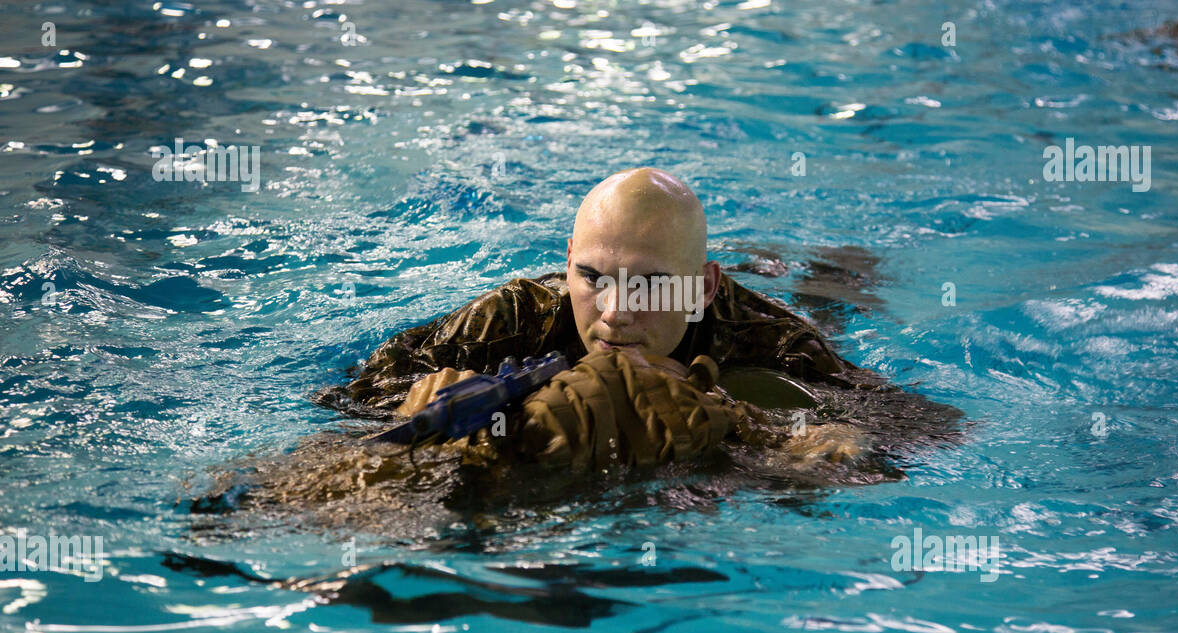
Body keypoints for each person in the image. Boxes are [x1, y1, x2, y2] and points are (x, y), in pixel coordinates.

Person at [312, 167, 962, 471]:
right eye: (593, 279)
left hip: (772, 319)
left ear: (702, 290)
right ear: (566, 264)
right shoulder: (510, 320)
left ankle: (830, 274)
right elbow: (341, 402)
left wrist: (755, 432)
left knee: (832, 303)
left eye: (652, 285)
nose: (616, 314)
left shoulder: (772, 340)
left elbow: (928, 436)